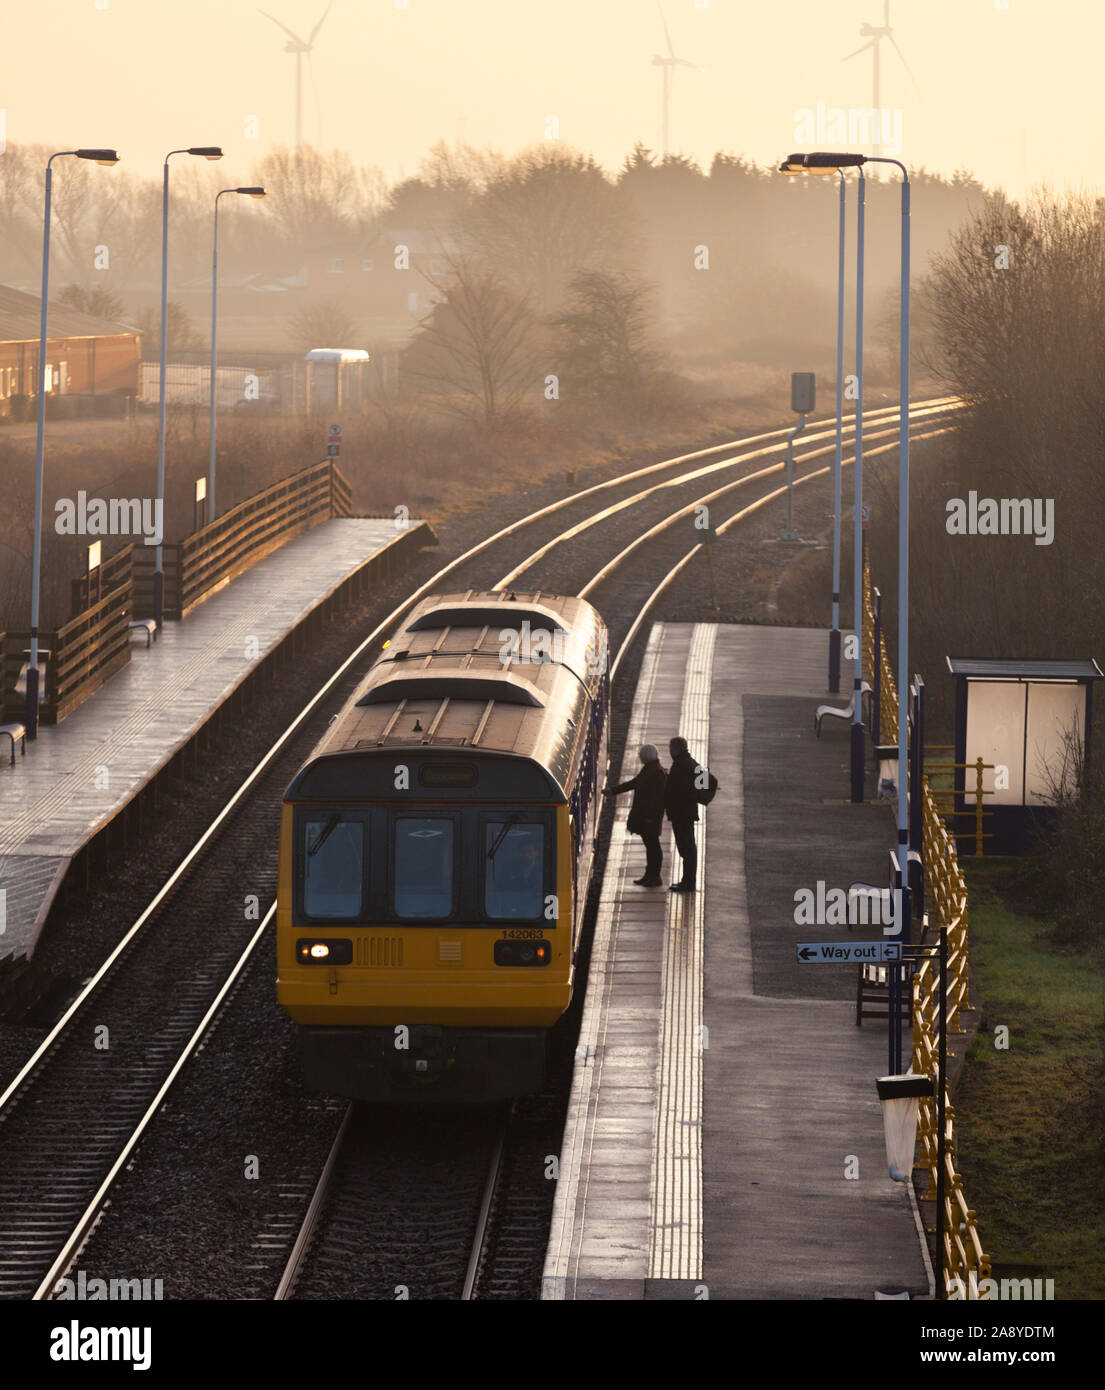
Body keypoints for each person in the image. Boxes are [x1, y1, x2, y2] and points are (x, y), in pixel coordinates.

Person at [603, 744, 667, 886]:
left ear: (645, 757)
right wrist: (613, 791)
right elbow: (634, 783)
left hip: (650, 818)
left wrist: (651, 818)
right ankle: (649, 875)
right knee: (651, 847)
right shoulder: (651, 769)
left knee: (653, 847)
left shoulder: (656, 772)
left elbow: (658, 800)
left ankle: (654, 877)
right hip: (648, 817)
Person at [664, 735, 700, 893]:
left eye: (671, 749)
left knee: (687, 849)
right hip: (686, 812)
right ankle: (687, 881)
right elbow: (704, 780)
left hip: (682, 813)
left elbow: (677, 787)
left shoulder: (682, 764)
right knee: (687, 848)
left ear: (676, 750)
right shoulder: (689, 762)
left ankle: (688, 883)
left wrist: (690, 794)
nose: (670, 752)